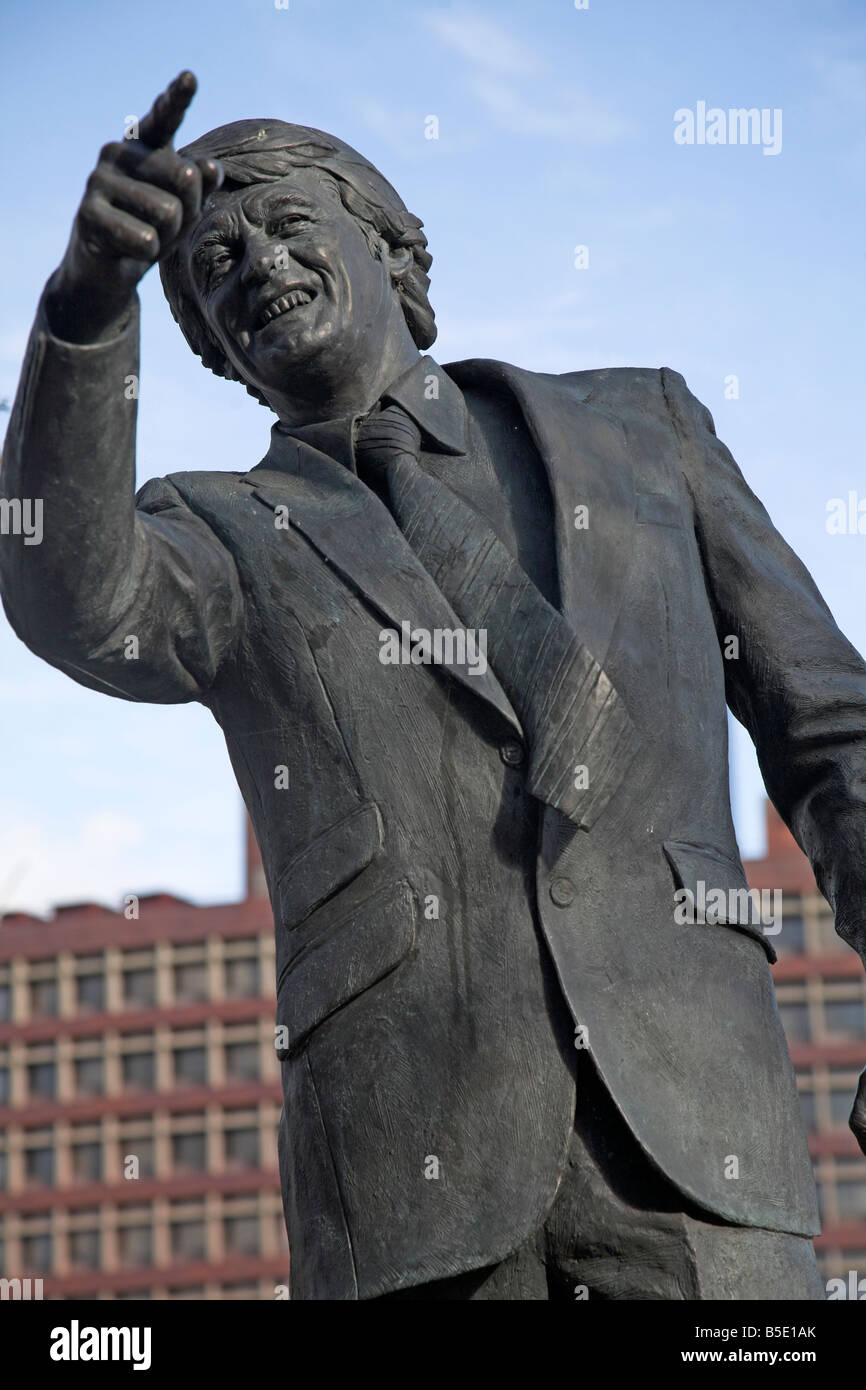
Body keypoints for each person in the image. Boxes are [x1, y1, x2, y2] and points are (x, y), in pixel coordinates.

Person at [3, 72, 865, 1300]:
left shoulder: (640, 434)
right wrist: (88, 306)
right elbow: (69, 595)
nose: (250, 263)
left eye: (285, 221)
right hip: (408, 1197)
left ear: (389, 244)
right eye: (210, 264)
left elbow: (831, 733)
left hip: (700, 1157)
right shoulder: (219, 530)